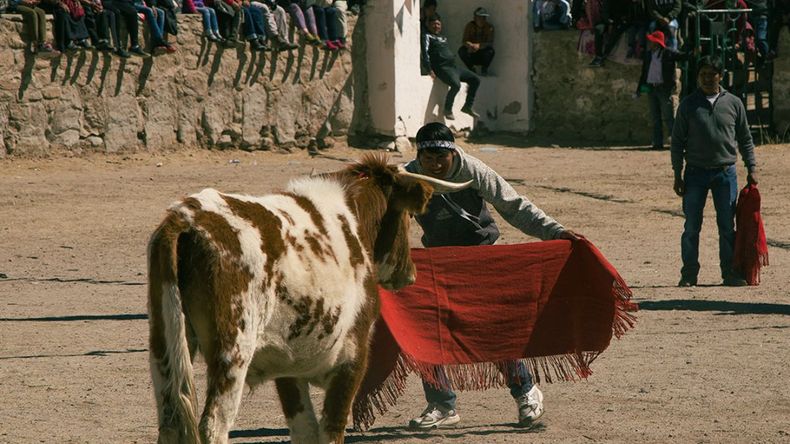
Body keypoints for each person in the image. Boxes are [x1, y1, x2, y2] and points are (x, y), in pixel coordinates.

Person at [404, 121, 581, 430]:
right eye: (427, 159)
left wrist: (555, 231)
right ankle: (441, 404)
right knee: (425, 331)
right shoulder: (407, 177)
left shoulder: (474, 170)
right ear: (419, 157)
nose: (434, 165)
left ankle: (526, 391)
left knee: (491, 330)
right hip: (438, 263)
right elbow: (387, 217)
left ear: (453, 153)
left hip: (481, 257)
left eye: (441, 158)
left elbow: (514, 206)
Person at [670, 55, 758, 288]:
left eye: (712, 74)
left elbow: (745, 139)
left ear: (721, 76)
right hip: (695, 174)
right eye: (703, 75)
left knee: (727, 226)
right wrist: (677, 174)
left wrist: (752, 167)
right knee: (691, 226)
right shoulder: (688, 105)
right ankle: (689, 274)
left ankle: (730, 272)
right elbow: (677, 142)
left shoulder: (734, 103)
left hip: (725, 173)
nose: (707, 79)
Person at [421, 14, 480, 120]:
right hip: (442, 68)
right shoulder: (427, 36)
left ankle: (468, 106)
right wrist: (429, 69)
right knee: (456, 85)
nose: (436, 26)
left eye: (438, 24)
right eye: (433, 24)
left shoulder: (443, 37)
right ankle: (448, 109)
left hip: (453, 67)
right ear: (428, 25)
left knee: (475, 79)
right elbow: (425, 54)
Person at [635, 30, 684, 150]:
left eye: (652, 41)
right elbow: (644, 73)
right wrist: (639, 89)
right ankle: (657, 143)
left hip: (663, 88)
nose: (650, 43)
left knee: (669, 117)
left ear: (657, 43)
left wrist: (693, 52)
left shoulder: (668, 53)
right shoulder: (648, 55)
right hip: (652, 88)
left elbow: (682, 56)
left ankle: (676, 142)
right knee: (655, 117)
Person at [589, 0, 632, 66]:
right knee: (599, 29)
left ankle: (604, 55)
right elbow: (604, 12)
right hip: (608, 20)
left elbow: (627, 14)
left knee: (615, 33)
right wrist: (609, 22)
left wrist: (616, 23)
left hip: (620, 21)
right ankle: (598, 56)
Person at [458, 7, 495, 75]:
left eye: (484, 18)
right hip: (472, 52)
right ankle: (472, 68)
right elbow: (464, 41)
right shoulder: (470, 26)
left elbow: (490, 43)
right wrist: (470, 45)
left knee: (490, 51)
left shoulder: (489, 27)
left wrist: (479, 46)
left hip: (482, 53)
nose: (482, 20)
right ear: (475, 18)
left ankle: (484, 69)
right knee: (462, 51)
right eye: (479, 18)